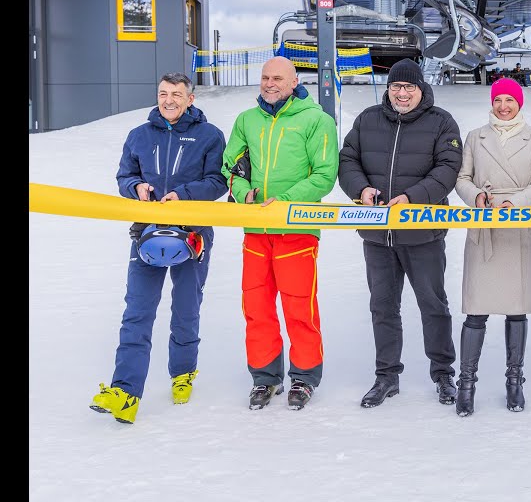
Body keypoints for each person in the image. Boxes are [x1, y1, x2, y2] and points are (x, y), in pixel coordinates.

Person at [90, 72, 227, 424]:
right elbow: (124, 176)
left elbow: (218, 181)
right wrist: (135, 187)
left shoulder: (209, 136)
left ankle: (183, 372)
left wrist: (183, 195)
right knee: (137, 311)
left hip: (192, 235)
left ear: (190, 99)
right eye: (163, 93)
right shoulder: (139, 135)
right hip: (147, 234)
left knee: (185, 308)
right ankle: (125, 392)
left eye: (177, 95)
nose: (169, 100)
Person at [338, 58, 464, 409]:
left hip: (422, 234)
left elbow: (448, 168)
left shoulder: (441, 122)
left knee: (433, 305)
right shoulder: (368, 120)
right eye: (396, 86)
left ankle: (443, 373)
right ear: (389, 89)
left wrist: (411, 198)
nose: (402, 93)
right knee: (383, 306)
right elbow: (348, 160)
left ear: (420, 89)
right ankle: (386, 376)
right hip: (378, 237)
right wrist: (360, 190)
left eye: (409, 87)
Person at [222, 56, 339, 411]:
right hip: (256, 230)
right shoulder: (247, 120)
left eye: (277, 78)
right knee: (256, 307)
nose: (270, 84)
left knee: (298, 307)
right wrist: (243, 193)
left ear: (293, 82)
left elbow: (324, 175)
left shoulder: (317, 120)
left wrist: (284, 202)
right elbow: (230, 165)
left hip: (297, 230)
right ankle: (264, 377)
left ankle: (304, 377)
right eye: (265, 78)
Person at [452, 78, 531, 416]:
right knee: (475, 309)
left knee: (516, 307)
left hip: (518, 227)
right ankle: (466, 384)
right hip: (485, 224)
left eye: (510, 100)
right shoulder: (475, 137)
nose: (504, 106)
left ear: (519, 104)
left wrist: (516, 203)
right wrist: (476, 196)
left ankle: (514, 381)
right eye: (499, 100)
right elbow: (462, 178)